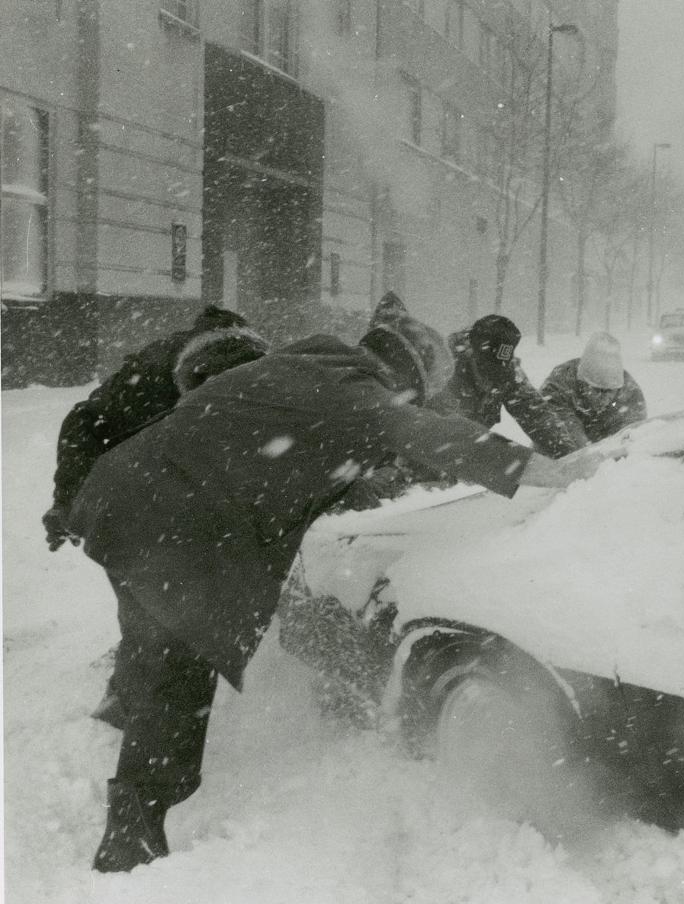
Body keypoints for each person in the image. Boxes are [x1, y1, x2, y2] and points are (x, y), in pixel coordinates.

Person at [67, 313, 600, 873]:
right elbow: (441, 440)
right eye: (417, 393)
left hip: (126, 491)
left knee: (150, 628)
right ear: (405, 377)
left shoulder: (302, 366)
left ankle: (121, 709)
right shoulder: (357, 395)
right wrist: (558, 474)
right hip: (181, 519)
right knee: (180, 670)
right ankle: (131, 835)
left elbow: (292, 455)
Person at [43, 304, 269, 552]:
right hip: (154, 501)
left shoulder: (274, 383)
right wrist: (70, 499)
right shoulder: (148, 379)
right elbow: (84, 420)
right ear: (190, 383)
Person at [435, 314, 581, 458]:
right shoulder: (443, 371)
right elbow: (436, 430)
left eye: (500, 368)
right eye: (487, 367)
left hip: (465, 452)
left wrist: (569, 454)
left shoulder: (506, 371)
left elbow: (536, 413)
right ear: (472, 352)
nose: (493, 377)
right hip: (431, 452)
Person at [540, 332, 647, 448]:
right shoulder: (559, 384)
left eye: (610, 391)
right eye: (598, 390)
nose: (604, 398)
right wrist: (586, 452)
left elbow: (631, 439)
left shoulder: (630, 394)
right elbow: (560, 433)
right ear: (582, 382)